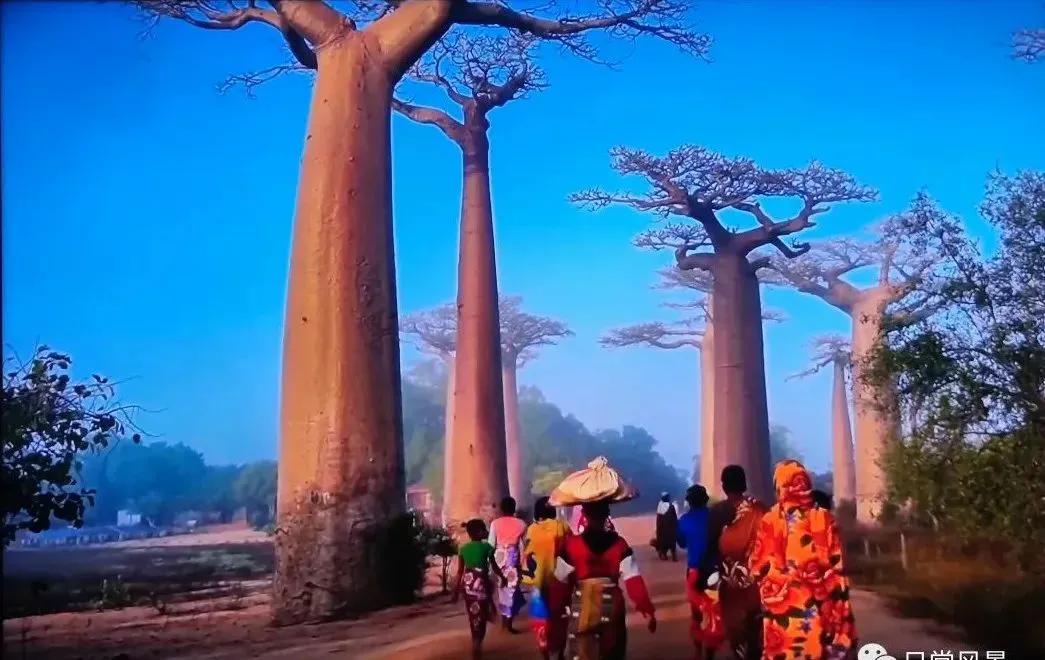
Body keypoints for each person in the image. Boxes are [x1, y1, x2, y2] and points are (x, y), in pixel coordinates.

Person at [750, 460, 857, 659]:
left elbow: (757, 567)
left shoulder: (770, 520)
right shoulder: (824, 518)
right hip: (818, 608)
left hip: (781, 610)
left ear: (780, 486)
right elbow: (838, 566)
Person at [550, 500, 657, 660]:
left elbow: (558, 584)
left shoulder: (571, 545)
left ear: (584, 514)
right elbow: (633, 580)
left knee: (581, 651)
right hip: (612, 607)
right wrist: (647, 611)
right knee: (612, 651)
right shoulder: (620, 545)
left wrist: (556, 611)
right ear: (607, 514)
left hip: (582, 606)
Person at [707, 465, 767, 660]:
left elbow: (710, 547)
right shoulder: (760, 509)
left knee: (736, 631)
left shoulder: (717, 512)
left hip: (730, 583)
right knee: (757, 631)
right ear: (744, 484)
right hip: (758, 582)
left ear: (724, 486)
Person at [676, 484, 725, 659]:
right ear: (705, 500)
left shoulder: (683, 520)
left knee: (696, 614)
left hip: (694, 571)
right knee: (713, 612)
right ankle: (709, 655)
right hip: (714, 571)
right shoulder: (716, 517)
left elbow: (681, 543)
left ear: (689, 502)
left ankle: (697, 651)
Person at [521, 496, 572, 660]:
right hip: (560, 581)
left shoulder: (531, 530)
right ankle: (560, 653)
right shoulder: (562, 527)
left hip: (538, 583)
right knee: (560, 618)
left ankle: (545, 655)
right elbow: (571, 551)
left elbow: (528, 556)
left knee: (541, 620)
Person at [452, 518, 508, 660]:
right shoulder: (487, 547)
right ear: (478, 532)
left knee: (474, 614)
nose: (486, 532)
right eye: (484, 529)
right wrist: (503, 577)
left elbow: (460, 572)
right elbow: (494, 566)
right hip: (481, 583)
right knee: (482, 614)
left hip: (468, 585)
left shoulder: (463, 549)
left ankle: (475, 640)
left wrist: (455, 592)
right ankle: (478, 641)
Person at [488, 496, 527, 633]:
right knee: (512, 590)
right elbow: (523, 546)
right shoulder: (521, 524)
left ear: (501, 509)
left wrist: (489, 562)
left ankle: (505, 621)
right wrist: (524, 564)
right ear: (514, 508)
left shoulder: (495, 524)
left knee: (502, 588)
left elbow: (491, 544)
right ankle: (508, 623)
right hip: (512, 558)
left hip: (498, 558)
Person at [654, 492, 679, 561]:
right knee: (672, 543)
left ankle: (664, 555)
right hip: (670, 528)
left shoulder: (659, 506)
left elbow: (658, 519)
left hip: (662, 528)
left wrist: (658, 528)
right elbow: (675, 517)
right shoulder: (671, 506)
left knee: (663, 542)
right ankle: (673, 556)